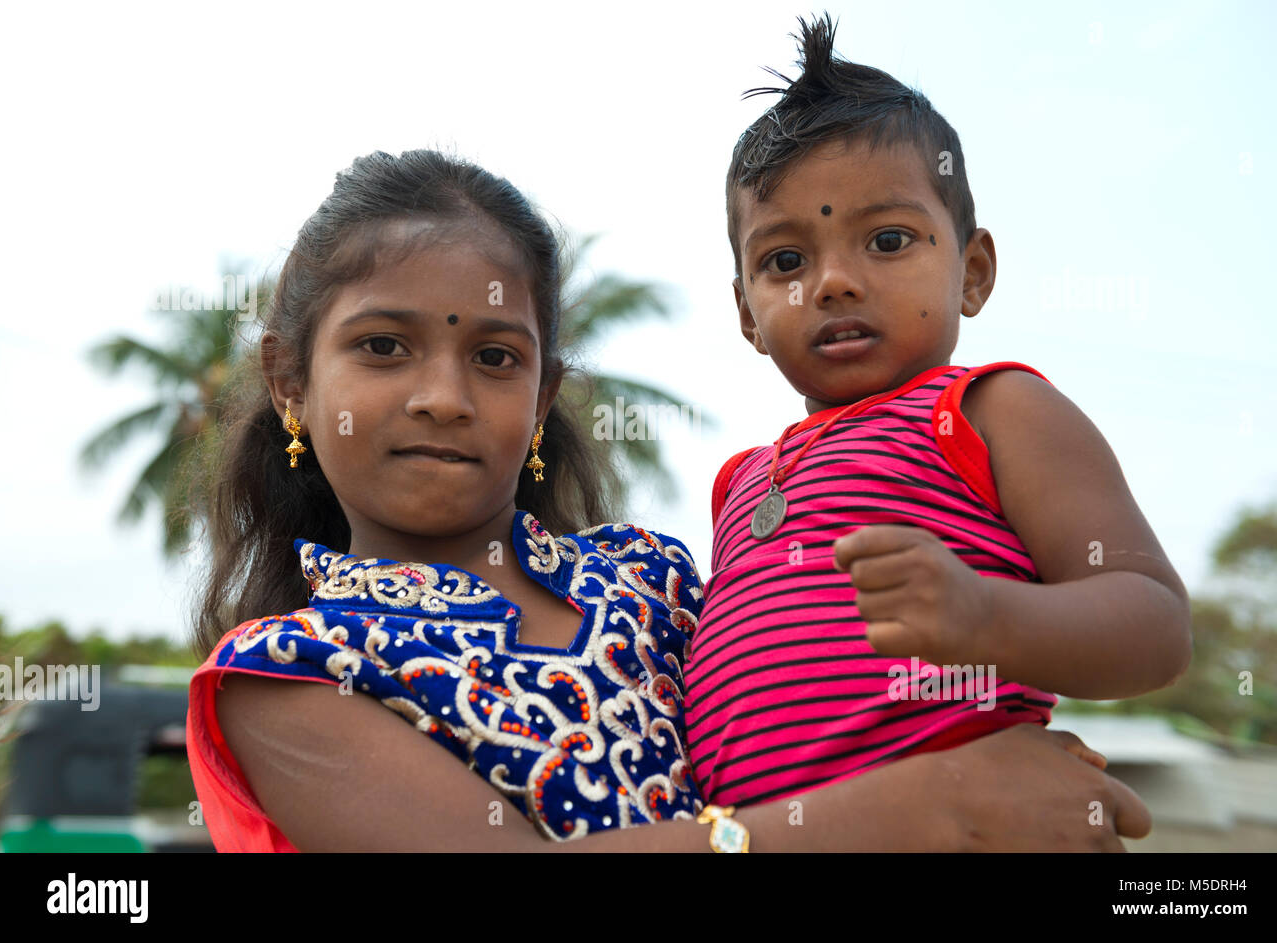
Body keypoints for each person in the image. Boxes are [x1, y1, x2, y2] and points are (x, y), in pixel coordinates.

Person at [186, 147, 1151, 852]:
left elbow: (838, 718)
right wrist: (935, 806)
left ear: (543, 397)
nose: (443, 394)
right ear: (289, 383)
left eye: (494, 356)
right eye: (384, 346)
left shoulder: (655, 581)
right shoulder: (291, 676)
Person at [688, 14, 1193, 810]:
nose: (833, 282)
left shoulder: (989, 411)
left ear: (973, 272)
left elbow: (1156, 625)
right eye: (785, 261)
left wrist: (985, 614)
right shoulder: (738, 484)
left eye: (888, 240)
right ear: (748, 312)